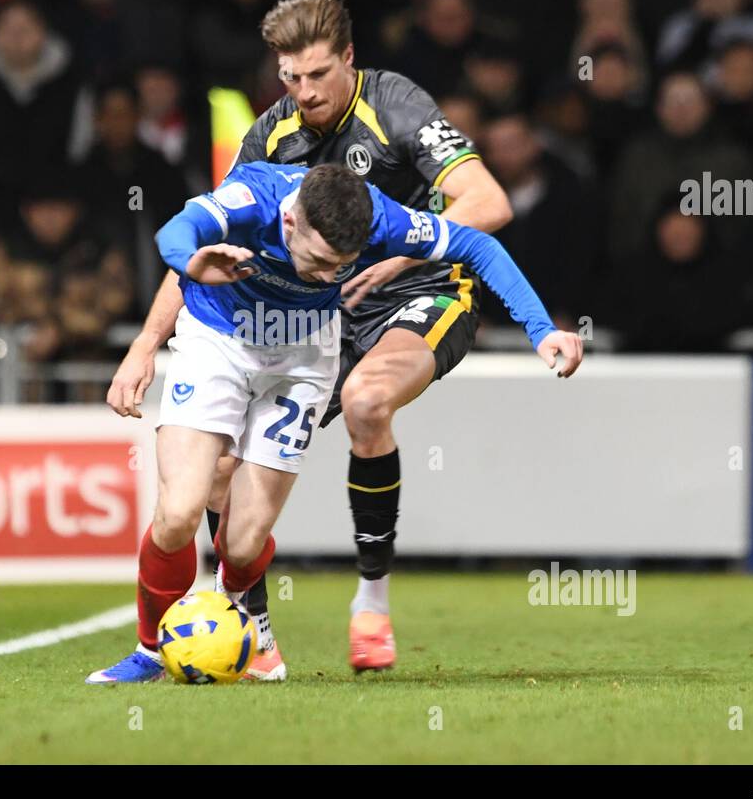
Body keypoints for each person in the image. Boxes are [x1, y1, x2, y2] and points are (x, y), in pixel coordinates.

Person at [106, 0, 518, 678]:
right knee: (219, 479)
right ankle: (253, 631)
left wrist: (399, 255)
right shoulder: (271, 134)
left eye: (318, 74)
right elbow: (210, 243)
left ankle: (372, 602)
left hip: (421, 286)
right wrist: (148, 342)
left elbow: (488, 201)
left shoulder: (397, 105)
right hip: (324, 306)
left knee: (366, 402)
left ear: (349, 59)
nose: (303, 91)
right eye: (289, 77)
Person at [87, 161, 582, 684]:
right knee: (180, 513)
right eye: (321, 260)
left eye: (340, 265)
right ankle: (148, 651)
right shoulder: (249, 200)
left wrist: (541, 329)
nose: (329, 275)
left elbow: (478, 246)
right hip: (218, 344)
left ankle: (236, 622)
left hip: (301, 359)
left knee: (243, 543)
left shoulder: (380, 220)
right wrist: (192, 264)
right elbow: (175, 232)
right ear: (292, 222)